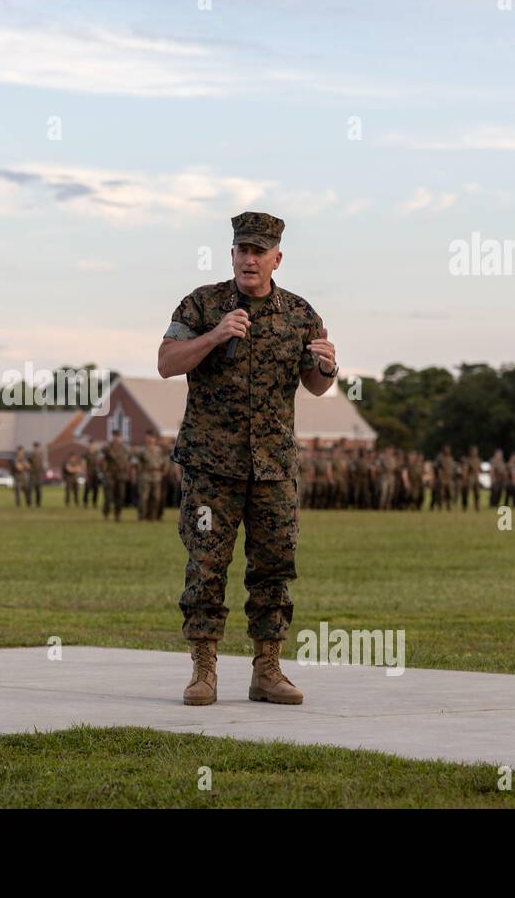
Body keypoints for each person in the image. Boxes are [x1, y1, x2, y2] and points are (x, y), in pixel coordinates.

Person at [158, 210, 336, 707]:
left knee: (275, 566)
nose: (250, 259)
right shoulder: (203, 304)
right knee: (206, 565)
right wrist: (215, 335)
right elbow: (166, 363)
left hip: (273, 467)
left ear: (277, 259)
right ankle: (204, 670)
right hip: (211, 467)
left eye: (260, 252)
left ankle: (268, 669)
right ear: (232, 253)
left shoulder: (300, 314)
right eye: (243, 250)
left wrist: (328, 366)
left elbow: (316, 386)